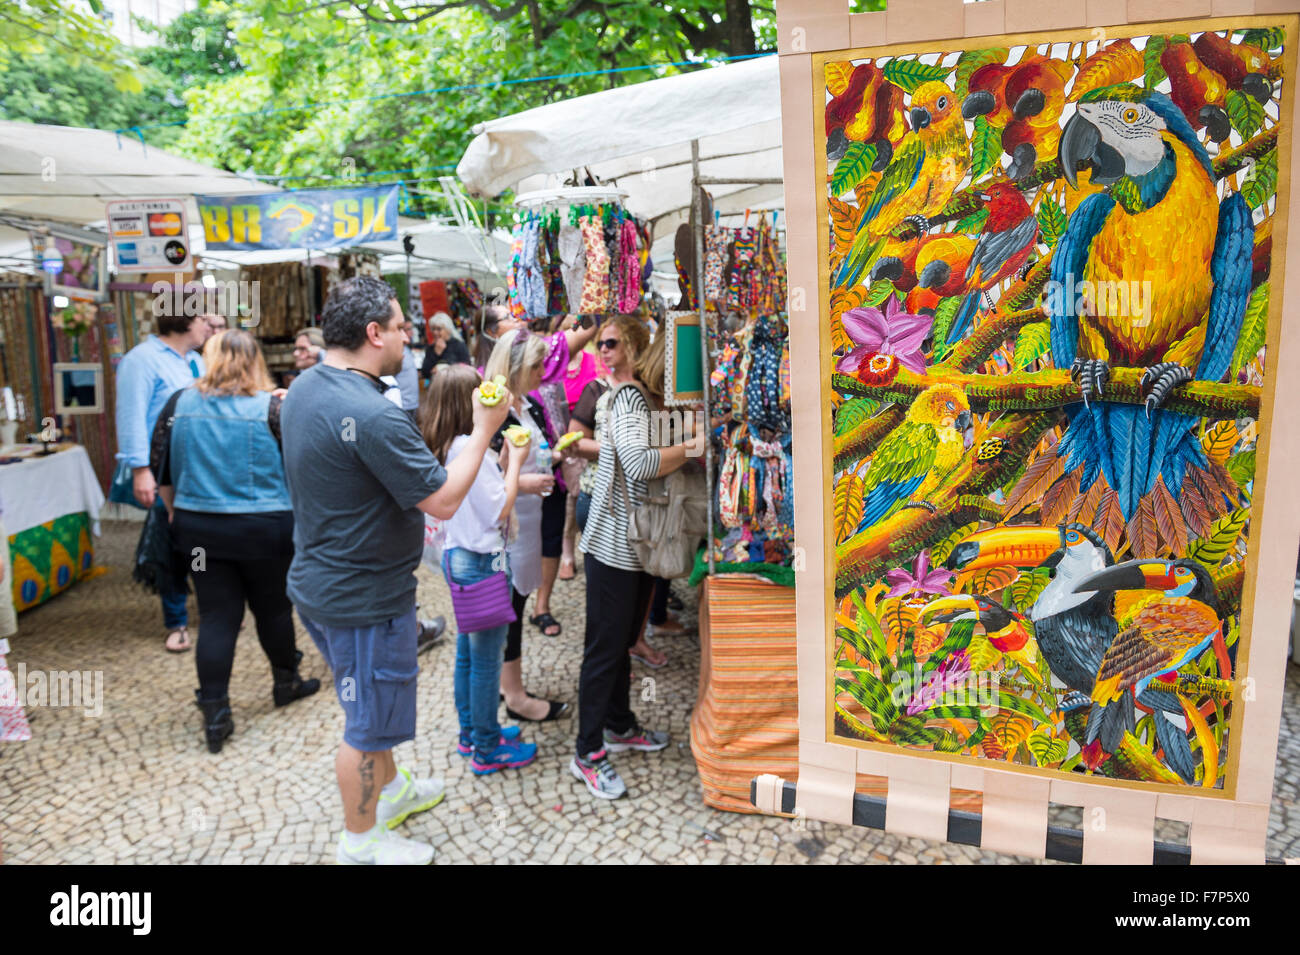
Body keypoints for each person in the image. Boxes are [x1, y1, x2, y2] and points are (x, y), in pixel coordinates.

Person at [281, 275, 510, 865]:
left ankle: (394, 791)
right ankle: (359, 840)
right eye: (402, 325)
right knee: (364, 726)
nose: (412, 334)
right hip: (363, 597)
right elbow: (443, 501)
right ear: (373, 333)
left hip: (320, 583)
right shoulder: (369, 412)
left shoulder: (306, 386)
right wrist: (484, 432)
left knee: (369, 711)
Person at [150, 329, 319, 754]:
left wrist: (175, 511)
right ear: (255, 362)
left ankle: (216, 711)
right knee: (274, 608)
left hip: (201, 533)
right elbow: (301, 470)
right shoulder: (274, 408)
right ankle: (286, 681)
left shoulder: (178, 404)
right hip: (265, 529)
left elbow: (161, 469)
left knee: (216, 615)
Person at [571, 331, 696, 799]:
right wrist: (694, 445)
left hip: (639, 544)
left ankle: (619, 726)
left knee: (623, 641)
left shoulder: (653, 402)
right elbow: (640, 463)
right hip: (614, 545)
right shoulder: (629, 399)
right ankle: (587, 753)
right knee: (604, 649)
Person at [421, 364, 536, 774]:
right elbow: (498, 509)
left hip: (458, 558)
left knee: (468, 656)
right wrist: (516, 462)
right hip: (483, 562)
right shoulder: (471, 450)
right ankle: (488, 748)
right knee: (486, 660)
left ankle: (472, 731)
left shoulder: (448, 447)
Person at [565, 315, 668, 668]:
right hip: (600, 497)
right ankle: (612, 667)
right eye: (600, 344)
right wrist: (620, 447)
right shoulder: (596, 389)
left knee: (641, 587)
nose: (604, 350)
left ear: (634, 343)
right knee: (610, 603)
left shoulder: (649, 389)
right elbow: (574, 441)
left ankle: (630, 648)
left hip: (643, 499)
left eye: (612, 343)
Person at [482, 329, 569, 722]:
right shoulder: (493, 410)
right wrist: (525, 482)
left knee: (514, 605)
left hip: (527, 523)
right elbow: (481, 479)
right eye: (535, 365)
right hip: (504, 530)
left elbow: (533, 452)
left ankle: (506, 685)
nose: (542, 371)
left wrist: (551, 460)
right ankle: (515, 696)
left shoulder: (529, 405)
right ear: (515, 368)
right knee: (508, 609)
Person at [114, 309, 211, 653]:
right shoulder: (141, 360)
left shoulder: (197, 360)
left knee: (200, 539)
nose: (208, 326)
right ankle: (177, 621)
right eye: (203, 319)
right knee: (168, 542)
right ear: (185, 320)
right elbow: (130, 415)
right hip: (161, 469)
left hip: (199, 468)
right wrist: (141, 469)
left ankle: (210, 607)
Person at [419, 312, 471, 381]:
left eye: (439, 329)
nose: (435, 332)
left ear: (448, 329)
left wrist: (444, 368)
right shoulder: (431, 348)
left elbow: (467, 368)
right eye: (433, 329)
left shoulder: (459, 345)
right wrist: (436, 353)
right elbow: (425, 372)